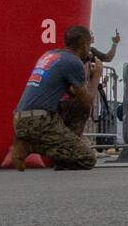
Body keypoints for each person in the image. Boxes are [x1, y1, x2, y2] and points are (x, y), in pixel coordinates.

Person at [10, 24, 102, 170]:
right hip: (38, 121)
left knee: (77, 107)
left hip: (21, 118)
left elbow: (74, 95)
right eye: (89, 45)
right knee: (87, 158)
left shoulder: (51, 55)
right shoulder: (74, 62)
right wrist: (96, 76)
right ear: (85, 45)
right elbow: (87, 101)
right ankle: (29, 146)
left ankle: (66, 150)